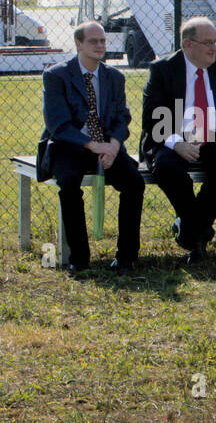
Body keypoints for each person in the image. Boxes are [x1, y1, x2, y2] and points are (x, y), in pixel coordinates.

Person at [139, 16, 216, 264]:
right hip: (171, 137)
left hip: (214, 137)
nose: (215, 48)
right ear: (188, 45)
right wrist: (176, 143)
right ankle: (200, 234)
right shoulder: (162, 69)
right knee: (168, 168)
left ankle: (191, 230)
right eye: (208, 43)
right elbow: (151, 116)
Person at [38, 20, 144, 273]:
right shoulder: (56, 75)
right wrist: (93, 146)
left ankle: (127, 257)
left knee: (134, 182)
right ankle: (79, 257)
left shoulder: (114, 76)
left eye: (103, 41)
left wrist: (113, 146)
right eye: (93, 41)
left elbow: (122, 118)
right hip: (69, 146)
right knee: (69, 183)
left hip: (107, 146)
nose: (100, 46)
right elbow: (58, 125)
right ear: (78, 43)